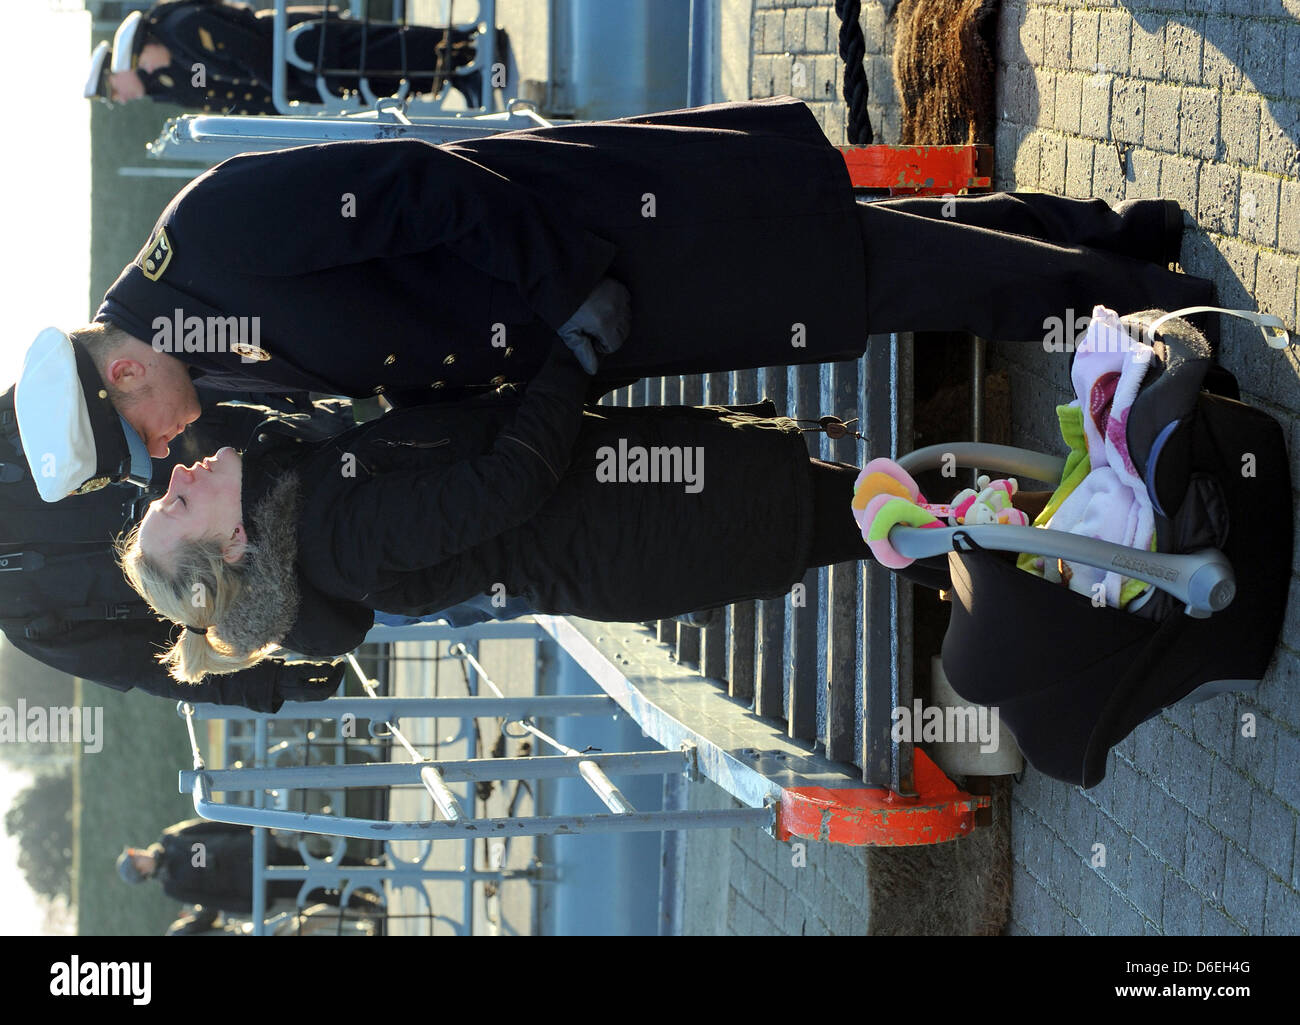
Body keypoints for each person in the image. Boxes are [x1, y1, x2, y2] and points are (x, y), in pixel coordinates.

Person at [17, 96, 1215, 502]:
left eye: (145, 438)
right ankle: (1123, 241)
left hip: (605, 250)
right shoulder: (200, 360)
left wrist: (572, 295)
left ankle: (1159, 316)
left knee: (886, 276)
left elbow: (423, 186)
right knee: (881, 260)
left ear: (120, 372)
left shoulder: (210, 232)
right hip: (590, 317)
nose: (171, 448)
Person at [115, 339, 964, 682]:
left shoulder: (309, 503)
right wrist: (576, 354)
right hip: (653, 517)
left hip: (646, 504)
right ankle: (1049, 549)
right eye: (177, 505)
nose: (177, 476)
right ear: (229, 544)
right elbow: (503, 488)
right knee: (882, 522)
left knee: (880, 516)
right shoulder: (342, 538)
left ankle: (1037, 539)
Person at [0, 381, 344, 711]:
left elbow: (146, 374)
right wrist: (267, 683)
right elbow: (143, 663)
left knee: (373, 447)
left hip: (264, 452)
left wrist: (262, 383)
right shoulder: (20, 618)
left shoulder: (11, 423)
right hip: (288, 588)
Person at [84, 0, 494, 114]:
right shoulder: (178, 42)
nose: (148, 70)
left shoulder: (184, 28)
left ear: (142, 48)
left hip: (300, 46)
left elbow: (248, 51)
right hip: (297, 61)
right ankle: (463, 72)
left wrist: (284, 89)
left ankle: (474, 50)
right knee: (382, 72)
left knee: (387, 51)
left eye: (139, 63)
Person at [116, 818, 383, 914]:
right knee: (315, 892)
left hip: (255, 849)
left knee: (315, 860)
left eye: (135, 853)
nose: (139, 853)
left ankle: (371, 869)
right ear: (141, 871)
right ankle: (364, 903)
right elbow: (212, 901)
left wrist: (250, 824)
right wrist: (249, 906)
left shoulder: (171, 838)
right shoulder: (172, 887)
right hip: (255, 884)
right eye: (135, 859)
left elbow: (211, 826)